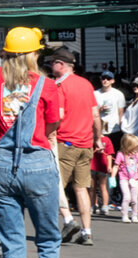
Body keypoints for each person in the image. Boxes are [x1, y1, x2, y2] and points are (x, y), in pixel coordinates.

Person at [0, 27, 64, 258]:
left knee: (12, 245)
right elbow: (54, 124)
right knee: (47, 240)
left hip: (3, 165)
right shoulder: (47, 85)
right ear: (34, 54)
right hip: (38, 164)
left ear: (5, 53)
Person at [48, 47, 100, 246]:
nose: (51, 66)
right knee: (81, 189)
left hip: (65, 142)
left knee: (55, 186)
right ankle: (87, 232)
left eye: (53, 63)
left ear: (61, 64)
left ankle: (69, 220)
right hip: (85, 143)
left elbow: (58, 115)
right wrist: (98, 138)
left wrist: (48, 134)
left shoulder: (59, 86)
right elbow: (95, 114)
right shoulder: (86, 84)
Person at [117, 133, 138, 223]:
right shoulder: (121, 154)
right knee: (127, 197)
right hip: (124, 178)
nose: (136, 150)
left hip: (134, 179)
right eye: (134, 148)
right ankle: (124, 215)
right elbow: (116, 166)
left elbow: (137, 164)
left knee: (135, 199)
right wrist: (112, 177)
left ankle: (134, 215)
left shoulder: (136, 154)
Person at [95, 70, 126, 145]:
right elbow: (91, 113)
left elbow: (121, 113)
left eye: (108, 78)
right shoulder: (95, 94)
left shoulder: (118, 94)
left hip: (114, 130)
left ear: (112, 81)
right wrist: (100, 109)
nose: (105, 80)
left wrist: (121, 128)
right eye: (103, 78)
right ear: (100, 79)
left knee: (114, 153)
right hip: (100, 130)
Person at [91, 134, 116, 219]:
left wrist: (109, 166)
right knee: (92, 187)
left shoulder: (107, 140)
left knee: (103, 187)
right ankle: (93, 205)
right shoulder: (90, 138)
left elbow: (109, 154)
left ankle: (105, 206)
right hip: (92, 165)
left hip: (102, 166)